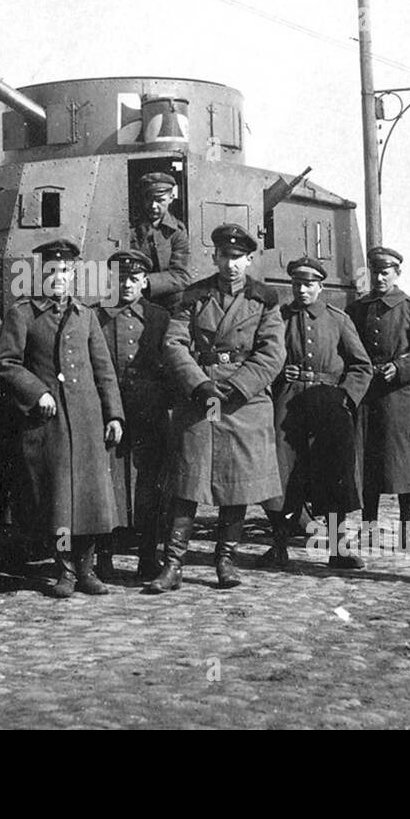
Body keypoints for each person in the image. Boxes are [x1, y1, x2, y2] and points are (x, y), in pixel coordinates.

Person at [146, 223, 283, 592]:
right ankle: (172, 565)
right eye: (225, 256)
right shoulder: (193, 296)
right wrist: (200, 384)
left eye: (238, 258)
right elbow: (174, 343)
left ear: (249, 259)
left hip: (243, 401)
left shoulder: (264, 300)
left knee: (235, 482)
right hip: (202, 398)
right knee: (188, 478)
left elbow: (272, 353)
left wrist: (238, 386)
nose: (231, 265)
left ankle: (226, 562)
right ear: (215, 256)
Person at [0, 239, 125, 598]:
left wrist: (114, 416)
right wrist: (38, 392)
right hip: (48, 423)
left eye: (66, 270)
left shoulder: (87, 316)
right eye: (53, 270)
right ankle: (64, 571)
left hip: (87, 419)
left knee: (91, 497)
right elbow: (5, 362)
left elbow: (104, 371)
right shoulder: (23, 314)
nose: (60, 277)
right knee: (57, 498)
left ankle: (87, 570)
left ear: (74, 273)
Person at [275, 256, 374, 570]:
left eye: (308, 284)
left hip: (328, 405)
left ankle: (338, 549)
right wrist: (280, 373)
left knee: (333, 477)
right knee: (282, 473)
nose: (302, 290)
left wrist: (345, 398)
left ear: (320, 287)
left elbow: (362, 366)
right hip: (287, 405)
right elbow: (264, 356)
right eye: (296, 284)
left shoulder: (338, 319)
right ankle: (278, 545)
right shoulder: (279, 317)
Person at [348, 247, 410, 561]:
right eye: (376, 271)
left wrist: (401, 368)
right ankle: (369, 529)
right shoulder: (358, 309)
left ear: (397, 273)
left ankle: (406, 532)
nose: (380, 277)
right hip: (367, 396)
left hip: (400, 398)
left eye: (386, 272)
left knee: (405, 466)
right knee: (369, 464)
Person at [95, 250, 172, 581]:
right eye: (119, 277)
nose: (125, 284)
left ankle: (147, 555)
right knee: (107, 485)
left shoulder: (159, 318)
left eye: (132, 278)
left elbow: (171, 365)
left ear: (144, 281)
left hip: (149, 413)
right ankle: (104, 557)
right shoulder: (97, 316)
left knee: (149, 486)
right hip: (108, 411)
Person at [129, 171, 191, 306]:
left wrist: (147, 282)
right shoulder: (131, 229)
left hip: (165, 300)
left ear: (171, 198)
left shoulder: (177, 232)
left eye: (160, 200)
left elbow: (181, 276)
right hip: (132, 295)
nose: (153, 206)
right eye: (149, 199)